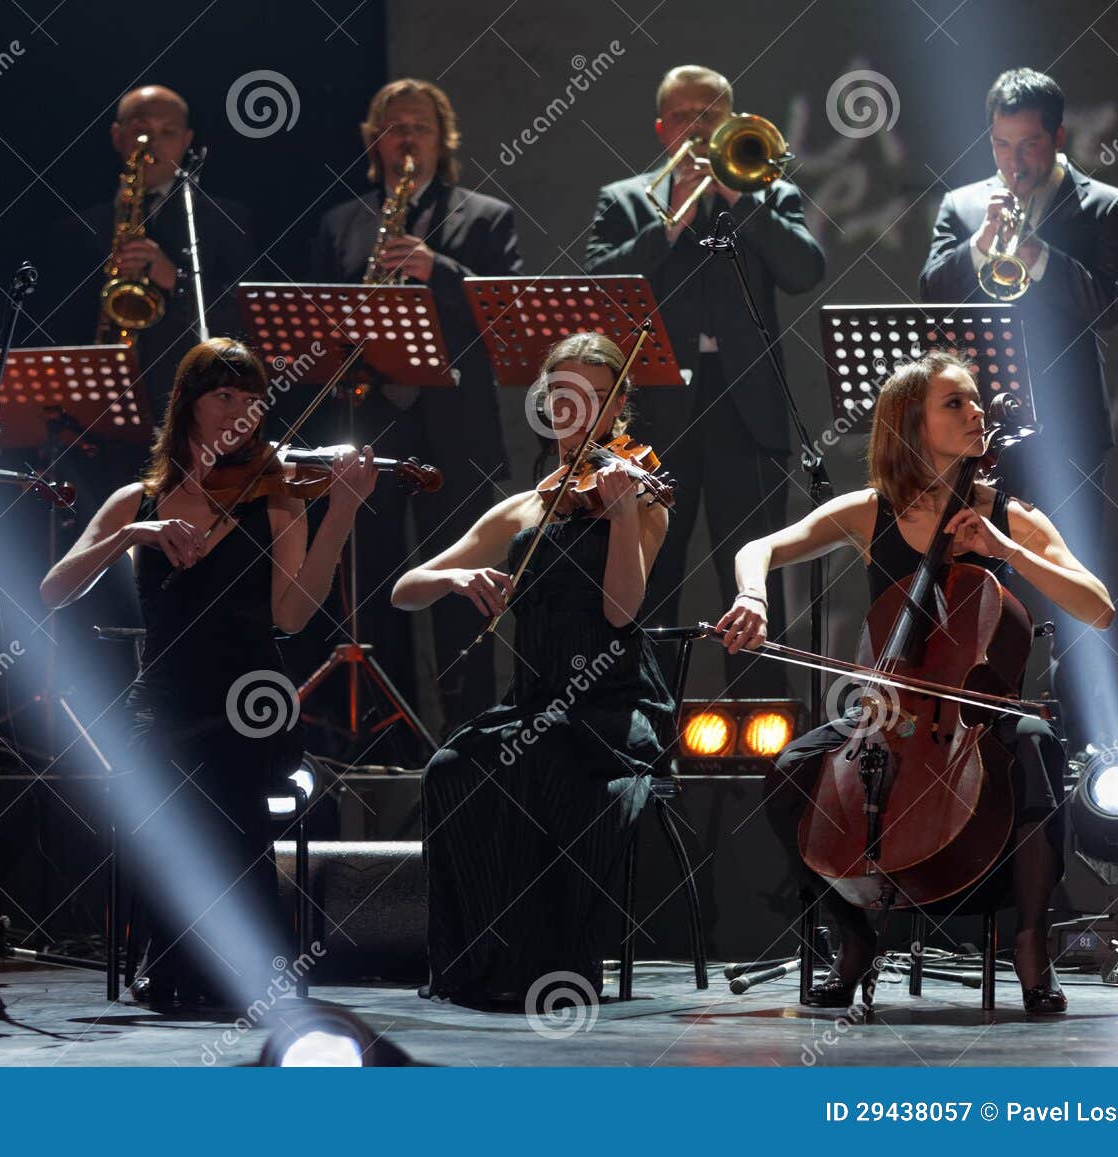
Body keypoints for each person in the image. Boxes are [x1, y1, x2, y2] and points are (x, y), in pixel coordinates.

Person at [715, 350, 1116, 1015]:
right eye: (955, 403)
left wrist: (1007, 551)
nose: (976, 412)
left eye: (976, 400)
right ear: (910, 423)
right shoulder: (870, 512)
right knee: (791, 770)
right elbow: (760, 548)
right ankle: (852, 936)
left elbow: (1098, 605)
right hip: (893, 715)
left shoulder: (1008, 515)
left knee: (1039, 745)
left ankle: (1030, 942)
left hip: (979, 715)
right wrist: (753, 596)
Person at [39, 337, 375, 1008]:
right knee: (157, 779)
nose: (241, 412)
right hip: (162, 698)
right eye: (224, 396)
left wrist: (340, 510)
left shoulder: (277, 497)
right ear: (188, 405)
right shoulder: (136, 499)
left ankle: (214, 959)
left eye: (252, 400)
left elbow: (292, 614)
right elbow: (53, 589)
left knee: (218, 777)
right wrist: (132, 536)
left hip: (252, 697)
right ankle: (178, 954)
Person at [391, 333, 674, 1007]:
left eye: (597, 398)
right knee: (452, 768)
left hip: (612, 705)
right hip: (538, 699)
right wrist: (457, 575)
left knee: (537, 764)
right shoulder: (522, 508)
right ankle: (478, 964)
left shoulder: (643, 493)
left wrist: (626, 512)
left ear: (619, 407)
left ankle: (547, 970)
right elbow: (405, 589)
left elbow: (619, 611)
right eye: (565, 395)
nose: (580, 411)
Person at [585, 64, 825, 696]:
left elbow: (804, 269)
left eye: (712, 114)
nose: (700, 127)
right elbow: (600, 288)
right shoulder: (626, 198)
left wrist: (738, 200)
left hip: (746, 413)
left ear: (733, 122)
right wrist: (667, 224)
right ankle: (645, 732)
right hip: (658, 414)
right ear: (664, 130)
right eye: (686, 117)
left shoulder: (767, 191)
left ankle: (762, 740)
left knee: (748, 585)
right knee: (651, 581)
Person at [920, 67, 1118, 749]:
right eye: (1003, 146)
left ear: (1057, 137)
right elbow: (930, 295)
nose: (1015, 163)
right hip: (982, 435)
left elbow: (1111, 305)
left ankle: (1071, 746)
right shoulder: (962, 208)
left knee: (1066, 587)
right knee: (973, 581)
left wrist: (1036, 252)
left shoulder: (1103, 206)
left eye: (1030, 146)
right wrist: (977, 248)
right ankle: (975, 739)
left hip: (1067, 433)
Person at [312, 78, 525, 733]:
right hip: (370, 425)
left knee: (464, 588)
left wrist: (442, 269)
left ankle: (475, 738)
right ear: (375, 141)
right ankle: (387, 735)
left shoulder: (485, 217)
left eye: (421, 129)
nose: (408, 140)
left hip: (455, 427)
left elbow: (511, 319)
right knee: (373, 590)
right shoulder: (341, 223)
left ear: (443, 141)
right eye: (395, 127)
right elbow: (313, 328)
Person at [36, 85, 256, 423]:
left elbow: (245, 320)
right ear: (117, 135)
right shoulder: (74, 229)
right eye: (141, 131)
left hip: (188, 404)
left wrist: (176, 279)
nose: (151, 143)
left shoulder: (224, 219)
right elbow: (54, 328)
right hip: (99, 407)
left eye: (166, 132)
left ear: (186, 141)